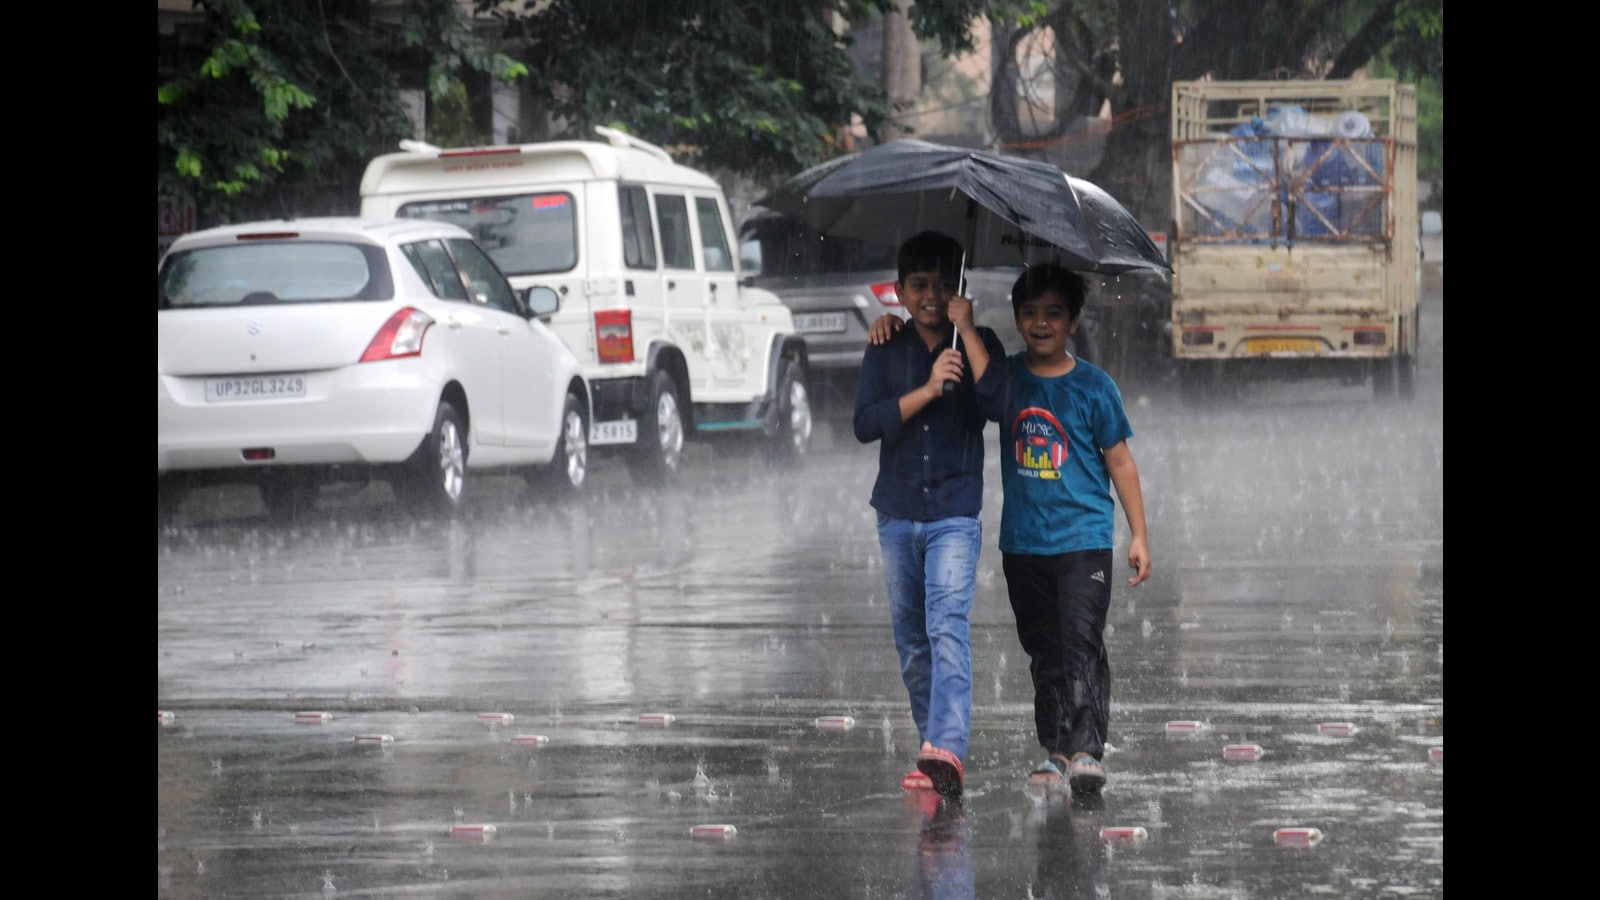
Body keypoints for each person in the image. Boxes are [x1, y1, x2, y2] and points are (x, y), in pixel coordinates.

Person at [869, 263, 1150, 797]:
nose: (1041, 324)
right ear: (1018, 319)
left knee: (1081, 644)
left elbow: (1120, 461)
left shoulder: (1095, 386)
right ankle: (1057, 750)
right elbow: (980, 391)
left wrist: (1137, 534)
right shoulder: (1008, 374)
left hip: (1085, 539)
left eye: (1054, 315)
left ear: (1073, 321)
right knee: (1043, 648)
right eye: (1030, 314)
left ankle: (1088, 748)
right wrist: (895, 324)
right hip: (1024, 544)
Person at [853, 230, 1008, 800]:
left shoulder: (978, 341)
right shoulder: (885, 345)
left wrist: (967, 333)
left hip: (953, 512)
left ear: (959, 287)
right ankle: (932, 749)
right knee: (912, 642)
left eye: (945, 284)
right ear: (899, 290)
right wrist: (926, 388)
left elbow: (998, 404)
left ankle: (948, 746)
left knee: (946, 626)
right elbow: (865, 424)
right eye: (919, 285)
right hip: (896, 512)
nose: (932, 296)